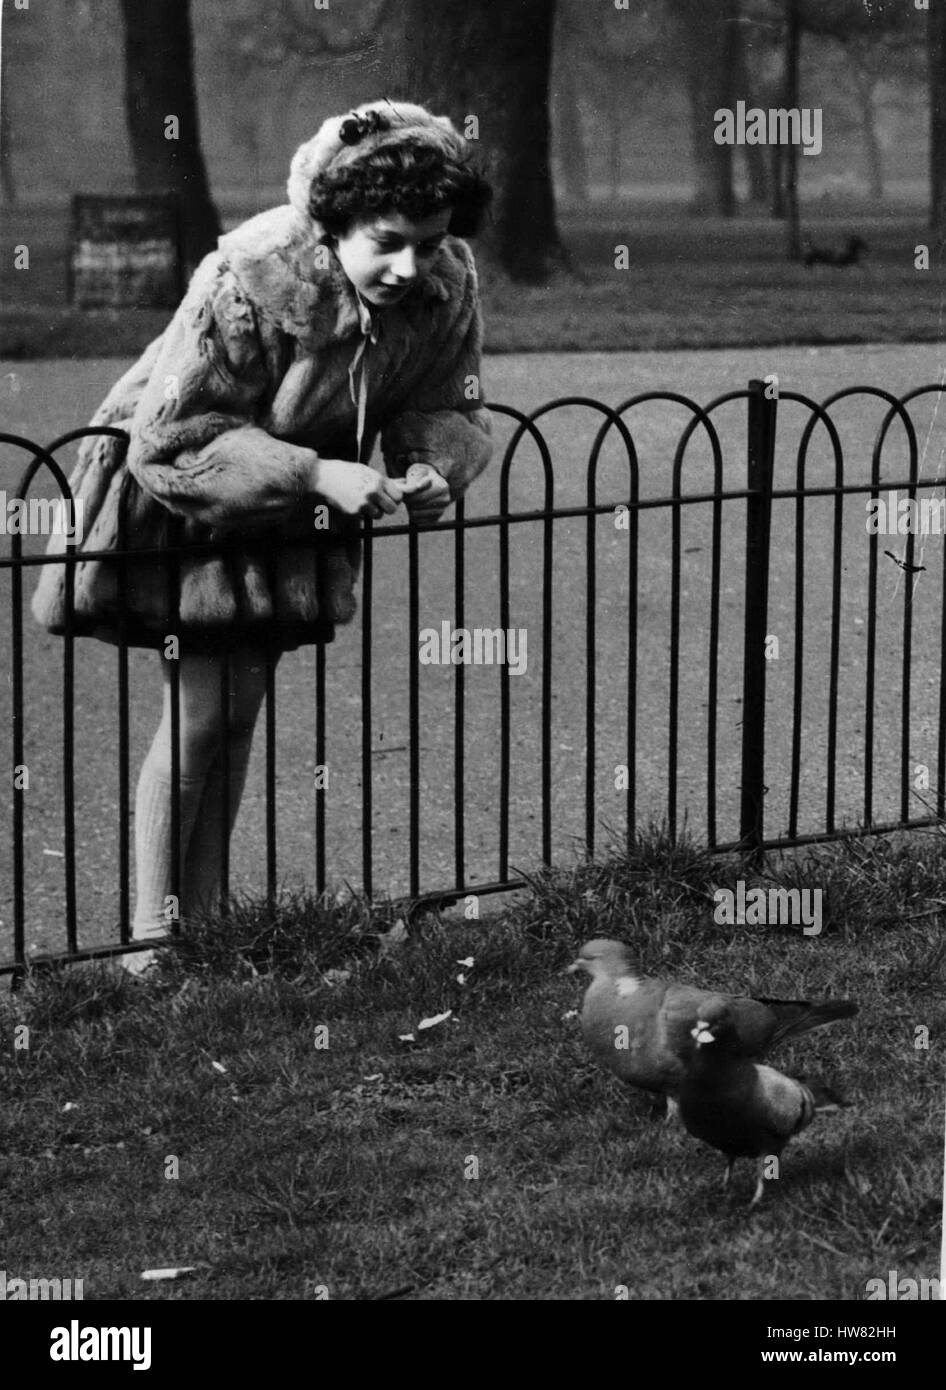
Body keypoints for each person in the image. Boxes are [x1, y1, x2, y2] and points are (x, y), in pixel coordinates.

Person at [32, 99, 493, 974]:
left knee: (237, 716)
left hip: (292, 512)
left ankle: (203, 927)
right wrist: (313, 474)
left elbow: (449, 397)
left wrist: (432, 463)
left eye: (429, 242)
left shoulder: (445, 283)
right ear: (333, 221)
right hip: (187, 504)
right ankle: (153, 944)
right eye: (387, 240)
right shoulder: (253, 275)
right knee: (199, 717)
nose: (410, 266)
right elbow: (170, 441)